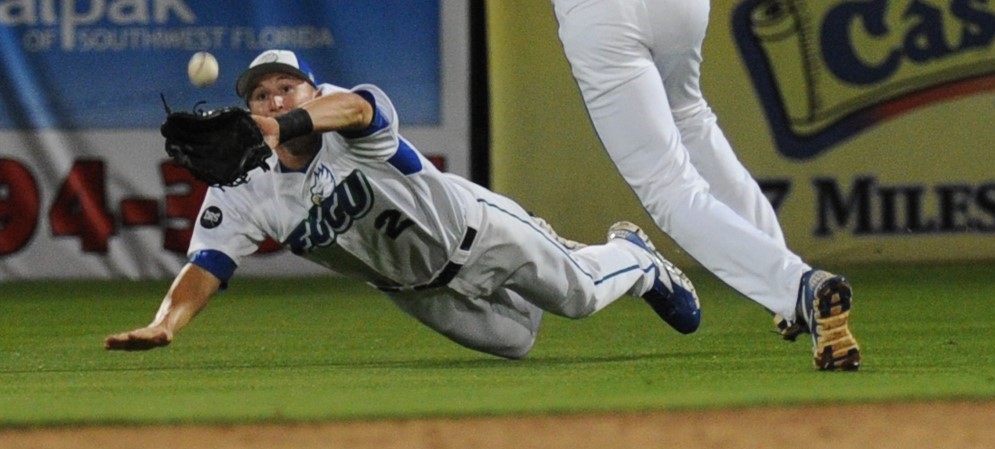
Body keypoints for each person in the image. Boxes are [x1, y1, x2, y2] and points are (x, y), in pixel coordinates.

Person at [104, 49, 701, 359]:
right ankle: (558, 249)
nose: (276, 96)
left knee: (580, 297)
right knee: (518, 343)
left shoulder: (348, 111)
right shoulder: (240, 187)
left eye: (288, 86)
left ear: (313, 90)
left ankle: (632, 256)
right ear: (250, 109)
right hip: (416, 292)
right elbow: (205, 264)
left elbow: (357, 110)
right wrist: (165, 325)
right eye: (262, 94)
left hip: (477, 230)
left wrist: (282, 127)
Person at [549, 0, 860, 370]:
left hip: (603, 13)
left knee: (669, 185)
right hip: (681, 10)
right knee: (691, 119)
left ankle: (796, 288)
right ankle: (787, 290)